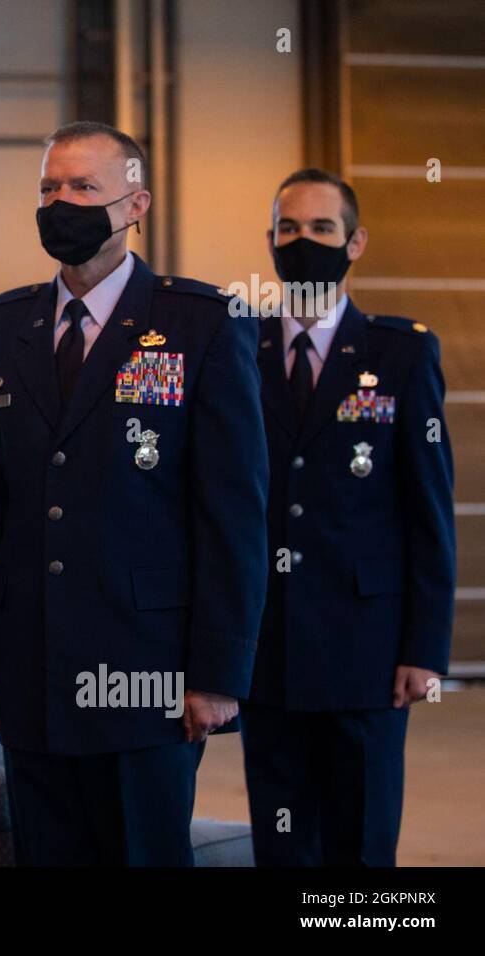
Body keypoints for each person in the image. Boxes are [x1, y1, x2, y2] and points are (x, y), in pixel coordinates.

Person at [0, 121, 268, 865]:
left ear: (136, 204)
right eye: (49, 188)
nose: (60, 202)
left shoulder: (201, 324)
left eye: (82, 188)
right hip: (31, 674)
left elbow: (233, 512)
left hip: (148, 674)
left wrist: (219, 675)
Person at [241, 167, 455, 866]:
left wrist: (424, 650)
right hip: (265, 651)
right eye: (288, 229)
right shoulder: (239, 349)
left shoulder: (402, 353)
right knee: (280, 844)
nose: (303, 242)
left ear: (355, 242)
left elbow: (428, 513)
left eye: (321, 229)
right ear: (270, 241)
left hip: (366, 650)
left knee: (359, 846)